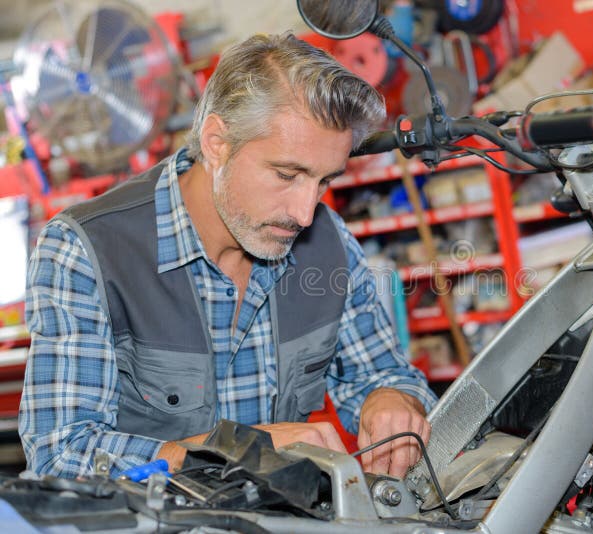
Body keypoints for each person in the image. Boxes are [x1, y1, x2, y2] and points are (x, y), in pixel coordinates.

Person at [19, 33, 437, 479]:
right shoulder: (86, 251)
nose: (305, 212)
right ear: (217, 142)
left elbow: (383, 373)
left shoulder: (327, 240)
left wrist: (391, 399)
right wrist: (236, 449)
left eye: (324, 181)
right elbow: (60, 455)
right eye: (286, 174)